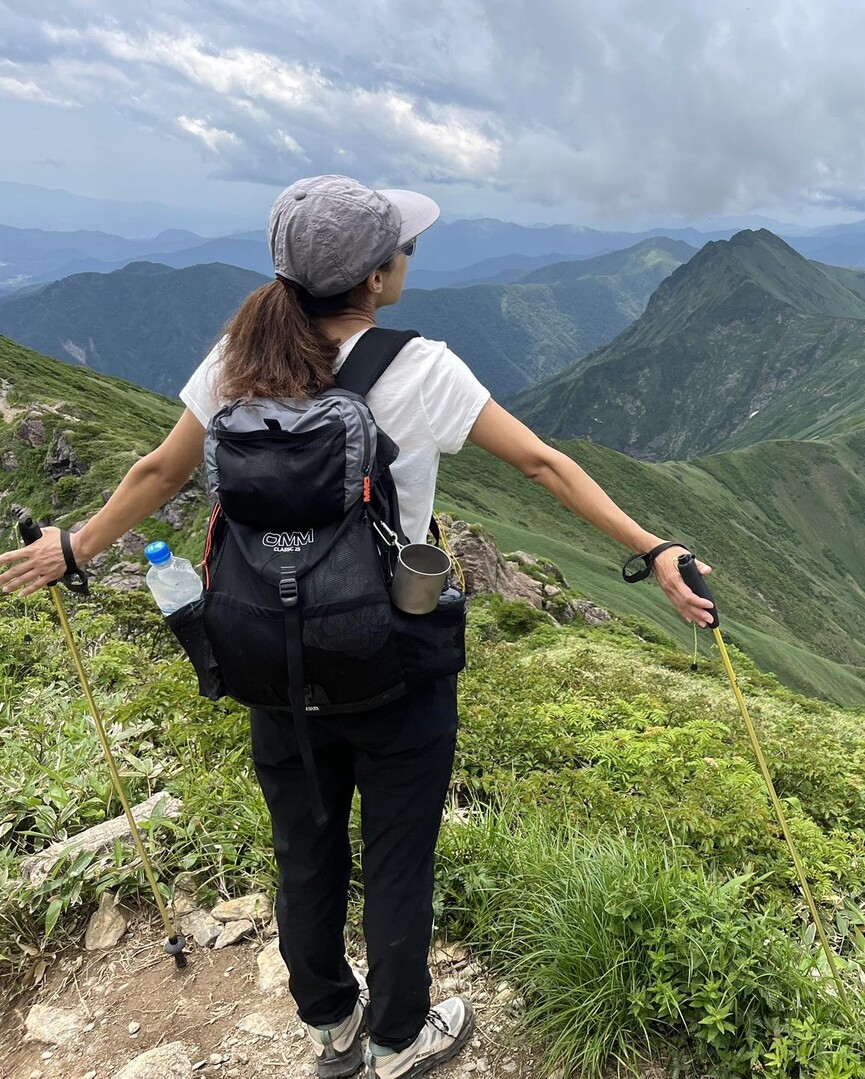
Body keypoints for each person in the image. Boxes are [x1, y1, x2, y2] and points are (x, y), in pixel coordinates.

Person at [0, 175, 714, 1079]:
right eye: (401, 249)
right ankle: (399, 1036)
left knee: (304, 847)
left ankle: (332, 1028)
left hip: (270, 654)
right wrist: (652, 547)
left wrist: (78, 544)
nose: (408, 258)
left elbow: (157, 471)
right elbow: (542, 463)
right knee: (397, 855)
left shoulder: (233, 360)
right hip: (393, 656)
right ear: (374, 279)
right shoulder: (420, 365)